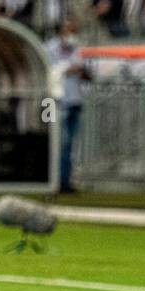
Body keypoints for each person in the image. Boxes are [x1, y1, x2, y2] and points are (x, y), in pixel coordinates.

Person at [45, 17, 91, 193]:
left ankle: (65, 181)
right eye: (69, 31)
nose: (72, 35)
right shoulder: (49, 48)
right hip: (53, 103)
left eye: (74, 31)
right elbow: (49, 72)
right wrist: (68, 69)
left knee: (70, 145)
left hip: (74, 101)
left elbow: (87, 74)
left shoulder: (78, 50)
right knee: (58, 143)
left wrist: (81, 70)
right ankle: (53, 180)